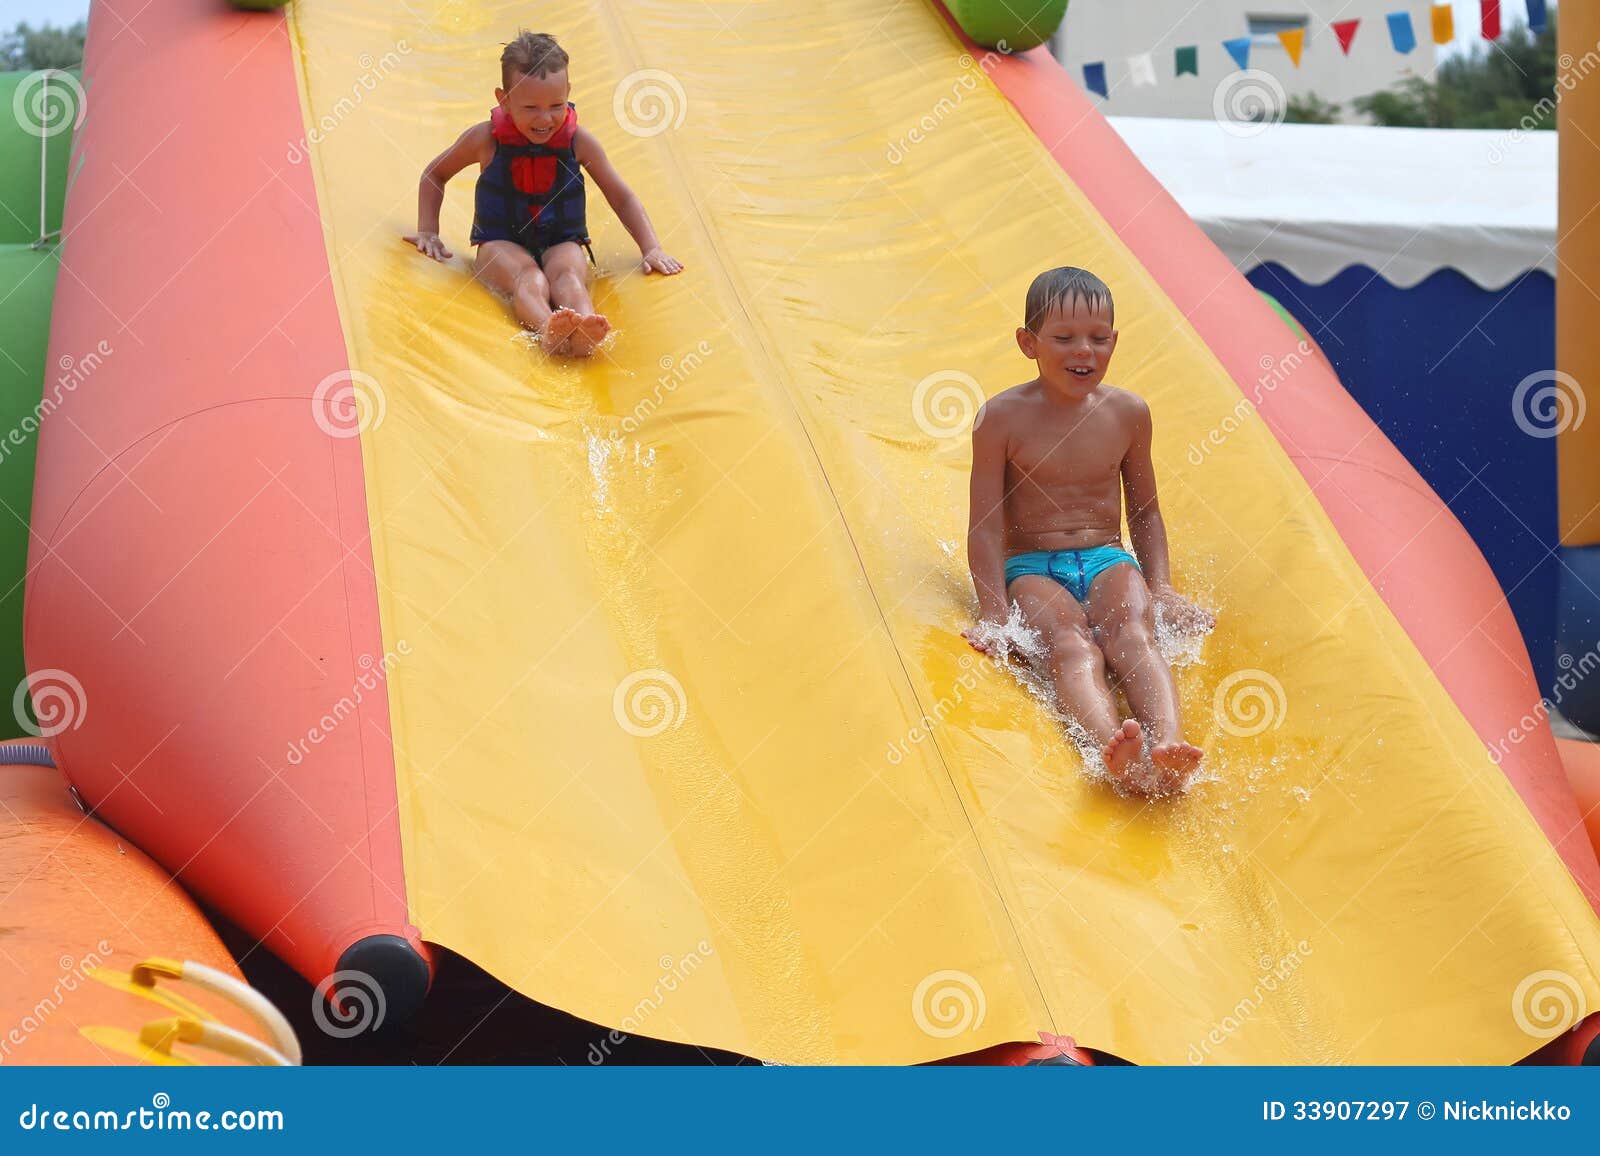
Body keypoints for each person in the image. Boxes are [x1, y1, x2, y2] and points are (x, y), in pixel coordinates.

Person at [964, 267, 1214, 795]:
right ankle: (1112, 747)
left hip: (1107, 558)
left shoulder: (1128, 414)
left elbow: (1144, 511)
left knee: (1134, 638)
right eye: (1064, 338)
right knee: (1071, 645)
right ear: (1028, 343)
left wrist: (1162, 586)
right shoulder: (1001, 419)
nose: (1085, 351)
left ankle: (1167, 744)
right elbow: (985, 527)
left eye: (1100, 339)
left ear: (1115, 342)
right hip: (1032, 568)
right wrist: (993, 614)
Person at [405, 30, 683, 356]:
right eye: (531, 107)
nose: (545, 118)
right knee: (530, 279)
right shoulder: (485, 140)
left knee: (568, 278)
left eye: (556, 105)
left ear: (568, 93)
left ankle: (584, 327)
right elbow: (435, 174)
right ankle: (548, 329)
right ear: (503, 99)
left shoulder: (578, 141)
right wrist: (428, 231)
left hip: (559, 239)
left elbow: (621, 196)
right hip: (500, 241)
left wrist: (651, 248)